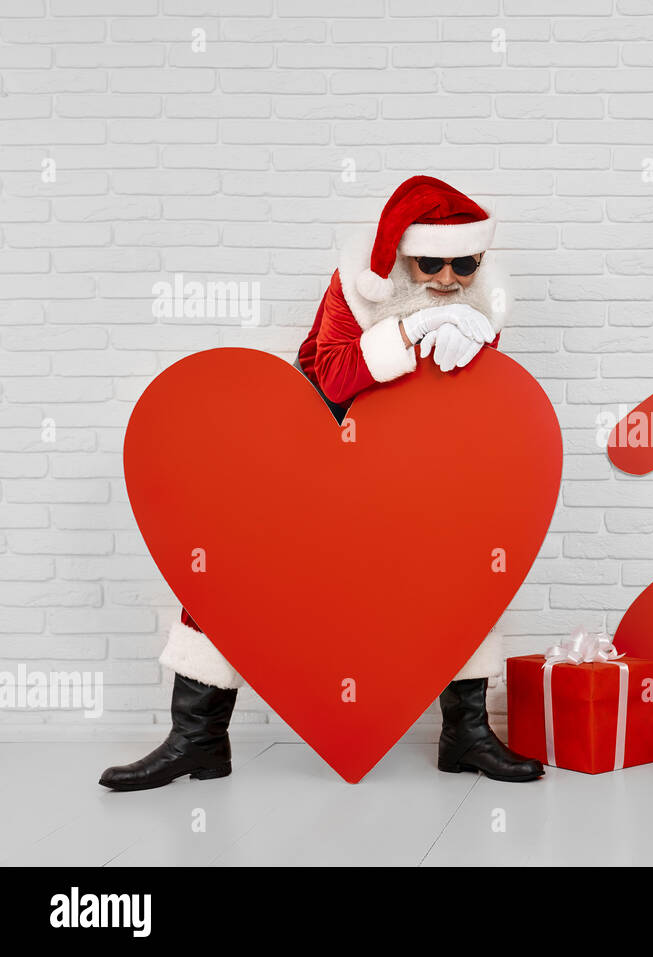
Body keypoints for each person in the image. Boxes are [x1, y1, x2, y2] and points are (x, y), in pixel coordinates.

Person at [100, 176, 544, 791]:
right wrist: (407, 334)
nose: (446, 279)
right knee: (228, 566)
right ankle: (197, 740)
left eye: (464, 263)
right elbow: (330, 378)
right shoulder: (358, 294)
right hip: (317, 478)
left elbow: (473, 419)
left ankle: (464, 736)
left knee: (469, 569)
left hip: (414, 492)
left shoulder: (478, 306)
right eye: (430, 262)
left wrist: (483, 341)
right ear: (398, 258)